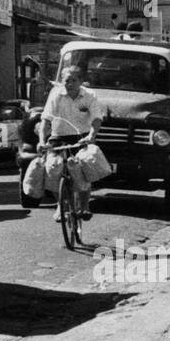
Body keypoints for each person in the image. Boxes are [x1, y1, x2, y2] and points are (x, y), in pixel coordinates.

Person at [38, 63, 104, 222]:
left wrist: (91, 135)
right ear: (62, 81)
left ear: (80, 81)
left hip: (81, 136)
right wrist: (41, 141)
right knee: (52, 169)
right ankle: (60, 205)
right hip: (58, 136)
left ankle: (84, 206)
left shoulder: (89, 95)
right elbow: (45, 120)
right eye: (67, 81)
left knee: (83, 171)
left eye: (73, 80)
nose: (70, 84)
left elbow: (96, 118)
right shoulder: (56, 95)